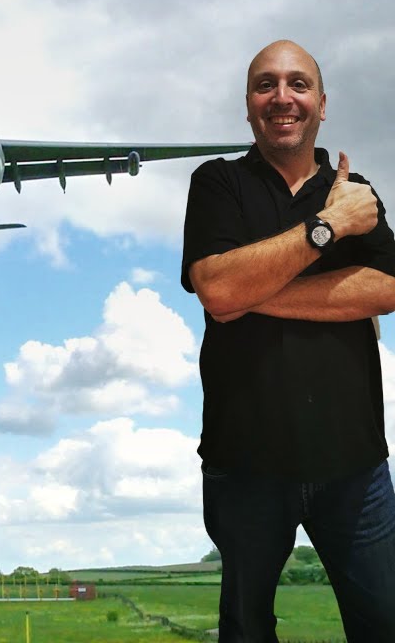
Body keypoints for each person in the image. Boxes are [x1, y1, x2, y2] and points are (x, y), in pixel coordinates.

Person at [181, 40, 395, 641]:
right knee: (246, 630)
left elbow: (387, 289)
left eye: (298, 84)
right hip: (243, 465)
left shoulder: (356, 190)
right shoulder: (218, 182)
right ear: (248, 105)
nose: (282, 97)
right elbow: (215, 288)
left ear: (322, 105)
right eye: (265, 85)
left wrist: (246, 290)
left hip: (355, 467)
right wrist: (328, 228)